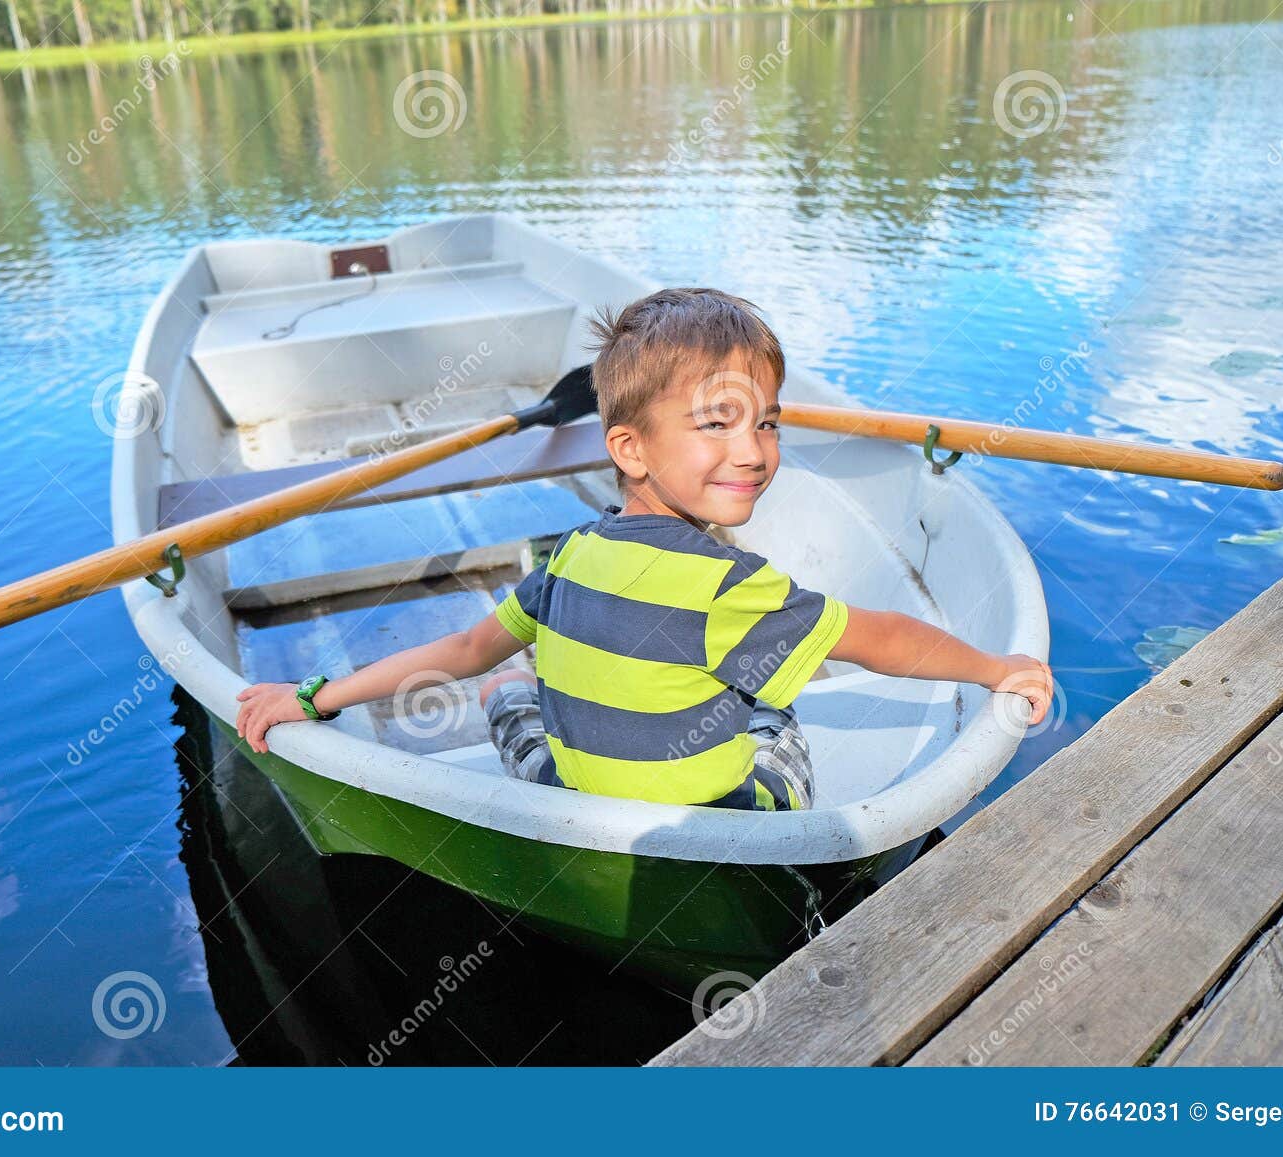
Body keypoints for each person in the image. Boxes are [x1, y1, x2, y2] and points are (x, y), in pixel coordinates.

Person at [234, 287, 1053, 812]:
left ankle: (527, 703)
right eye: (716, 423)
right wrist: (995, 668)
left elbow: (460, 648)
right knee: (776, 703)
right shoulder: (738, 586)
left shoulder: (566, 559)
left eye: (766, 421)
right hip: (724, 817)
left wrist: (316, 697)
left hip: (570, 799)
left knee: (509, 682)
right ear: (629, 448)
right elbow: (886, 637)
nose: (755, 451)